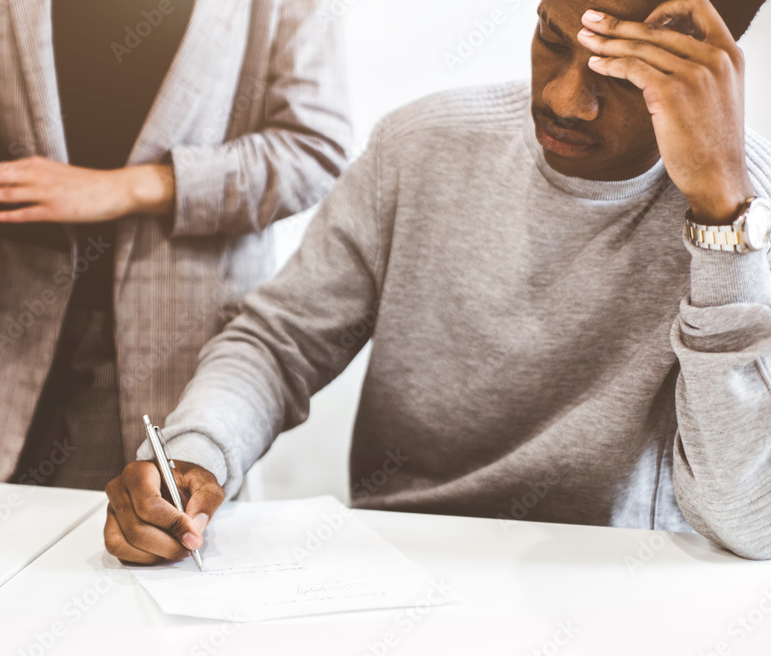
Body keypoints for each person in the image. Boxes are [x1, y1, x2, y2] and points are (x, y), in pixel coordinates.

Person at [104, 0, 771, 563]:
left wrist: (723, 223)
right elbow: (279, 345)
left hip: (619, 595)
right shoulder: (422, 146)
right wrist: (197, 452)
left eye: (624, 71)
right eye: (551, 37)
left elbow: (747, 522)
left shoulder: (749, 212)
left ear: (712, 69)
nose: (565, 99)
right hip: (403, 576)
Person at [0, 0, 351, 489]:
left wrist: (123, 188)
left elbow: (312, 148)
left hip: (178, 340)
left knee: (141, 527)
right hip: (0, 336)